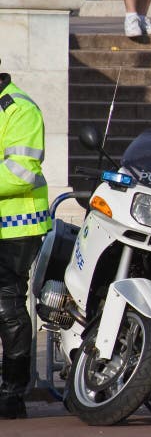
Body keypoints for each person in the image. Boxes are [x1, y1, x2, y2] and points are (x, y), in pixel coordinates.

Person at [0, 63, 52, 419]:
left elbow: (21, 173)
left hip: (17, 224)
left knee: (8, 303)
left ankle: (12, 393)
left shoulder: (20, 108)